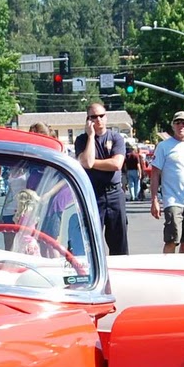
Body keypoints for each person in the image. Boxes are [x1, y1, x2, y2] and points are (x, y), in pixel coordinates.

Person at [75, 102, 129, 255]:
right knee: (92, 240)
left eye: (101, 116)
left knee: (119, 241)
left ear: (106, 117)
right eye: (93, 117)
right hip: (93, 194)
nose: (98, 119)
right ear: (88, 120)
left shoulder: (116, 137)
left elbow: (116, 164)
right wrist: (91, 137)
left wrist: (92, 164)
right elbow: (86, 161)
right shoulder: (82, 140)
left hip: (114, 194)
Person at [150, 112, 184, 254]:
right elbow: (155, 173)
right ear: (173, 126)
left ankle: (182, 270)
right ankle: (167, 270)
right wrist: (154, 199)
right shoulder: (164, 146)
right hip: (172, 200)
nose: (181, 126)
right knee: (172, 239)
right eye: (178, 122)